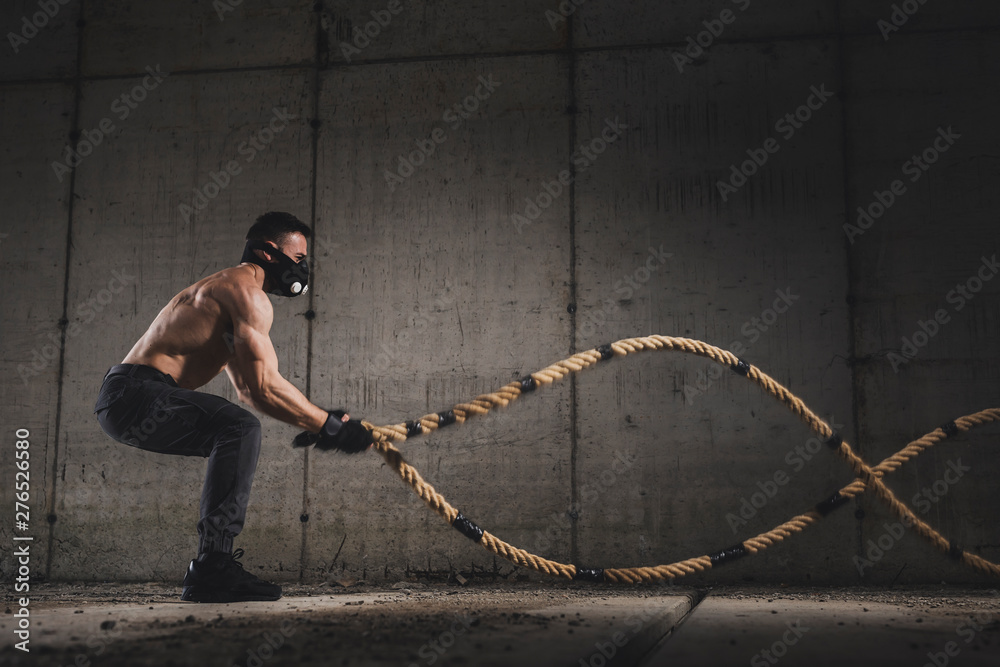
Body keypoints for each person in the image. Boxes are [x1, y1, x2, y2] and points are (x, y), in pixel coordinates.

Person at [93, 212, 373, 603]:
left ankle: (213, 565)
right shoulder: (247, 295)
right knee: (238, 428)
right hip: (136, 395)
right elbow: (263, 389)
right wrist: (329, 426)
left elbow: (248, 388)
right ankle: (212, 568)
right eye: (298, 257)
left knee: (235, 427)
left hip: (127, 397)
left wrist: (318, 420)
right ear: (267, 252)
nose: (303, 268)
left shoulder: (224, 294)